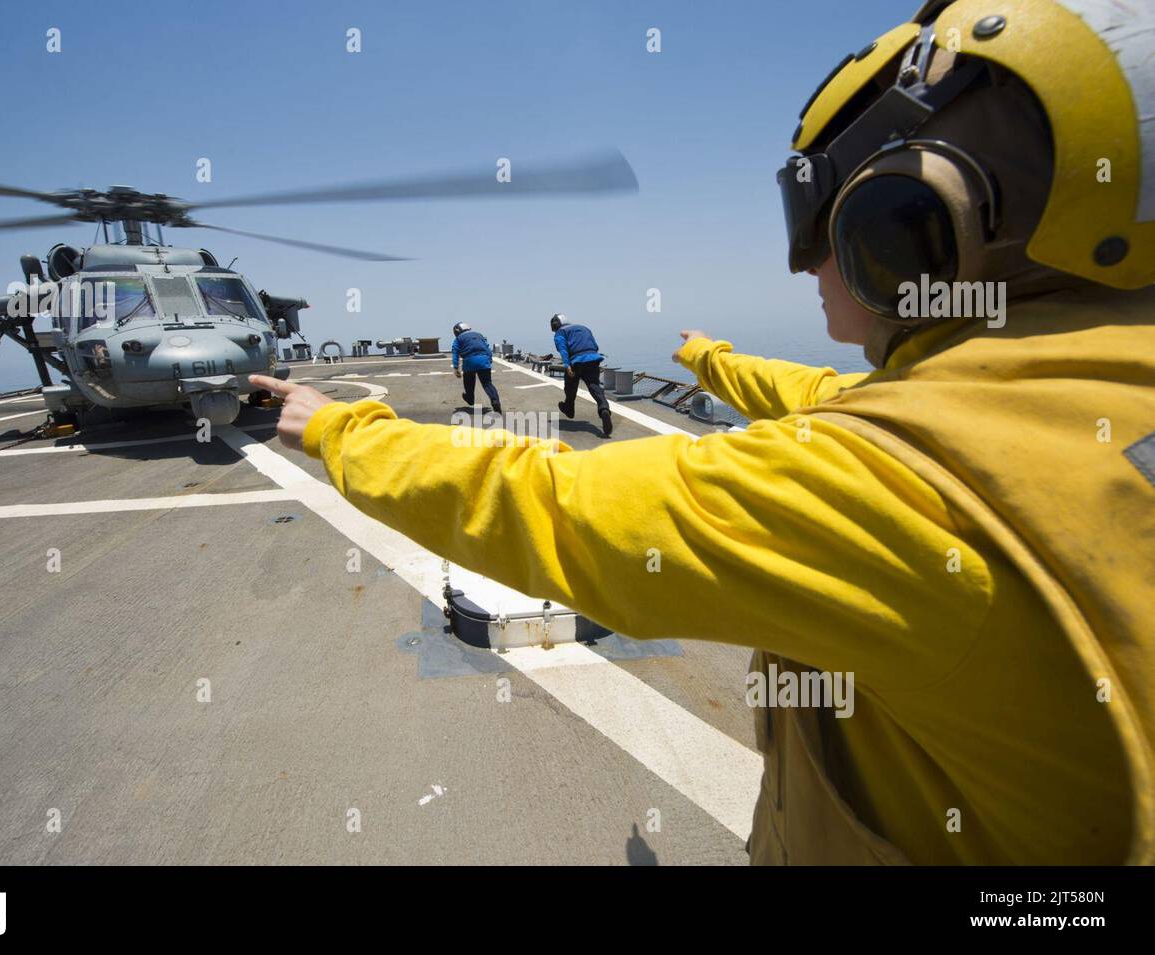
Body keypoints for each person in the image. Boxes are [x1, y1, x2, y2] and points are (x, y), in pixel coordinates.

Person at [252, 0, 1154, 865]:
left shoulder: (900, 481)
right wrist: (711, 357)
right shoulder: (1059, 394)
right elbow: (830, 395)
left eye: (815, 212)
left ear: (913, 215)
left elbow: (553, 505)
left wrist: (342, 430)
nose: (801, 257)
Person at [551, 313, 612, 437]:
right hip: (593, 359)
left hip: (576, 362)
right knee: (594, 386)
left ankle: (569, 408)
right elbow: (594, 345)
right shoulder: (584, 328)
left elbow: (563, 349)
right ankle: (604, 408)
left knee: (570, 387)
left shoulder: (560, 333)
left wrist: (567, 365)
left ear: (556, 325)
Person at [449, 322, 502, 415]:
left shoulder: (458, 339)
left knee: (468, 382)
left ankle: (470, 399)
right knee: (487, 384)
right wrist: (489, 360)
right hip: (483, 360)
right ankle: (495, 401)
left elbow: (455, 353)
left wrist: (456, 367)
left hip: (469, 361)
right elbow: (487, 348)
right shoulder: (479, 335)